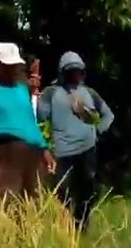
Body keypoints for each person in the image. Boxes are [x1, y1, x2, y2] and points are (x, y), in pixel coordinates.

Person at [37, 51, 114, 232]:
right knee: (61, 191)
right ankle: (64, 226)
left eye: (78, 70)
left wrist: (98, 131)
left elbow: (108, 115)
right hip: (62, 150)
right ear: (63, 72)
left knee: (87, 189)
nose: (75, 74)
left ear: (82, 72)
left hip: (87, 149)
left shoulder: (89, 93)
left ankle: (82, 225)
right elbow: (40, 119)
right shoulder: (51, 93)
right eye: (70, 71)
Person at [0, 42, 55, 198]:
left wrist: (44, 150)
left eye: (14, 65)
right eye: (7, 65)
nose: (12, 69)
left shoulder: (21, 89)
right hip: (4, 153)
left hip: (31, 154)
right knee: (8, 202)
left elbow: (30, 122)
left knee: (34, 203)